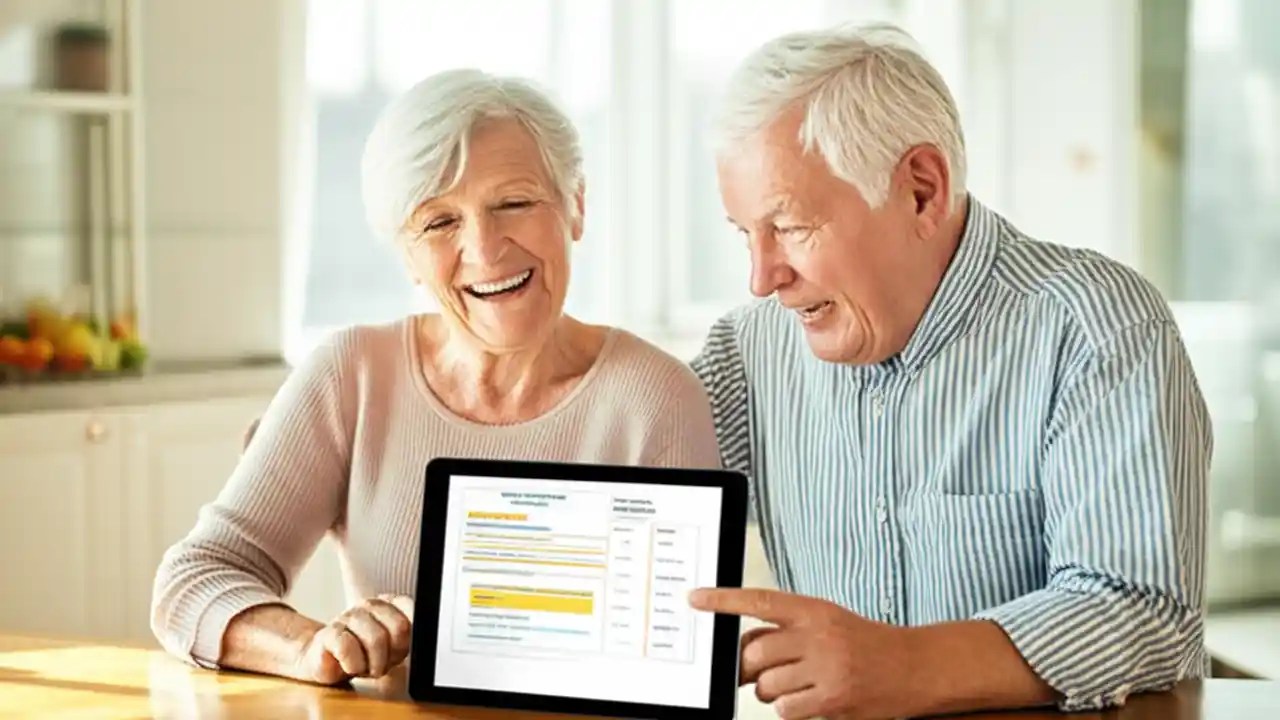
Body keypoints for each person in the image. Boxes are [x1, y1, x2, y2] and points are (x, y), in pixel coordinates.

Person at [686, 23, 1212, 720]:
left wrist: (903, 666)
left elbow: (1142, 611)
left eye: (790, 227)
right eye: (745, 233)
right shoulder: (749, 350)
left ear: (921, 191)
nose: (762, 278)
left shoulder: (1095, 328)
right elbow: (627, 486)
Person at [151, 69, 720, 685]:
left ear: (575, 206)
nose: (485, 249)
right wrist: (309, 648)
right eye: (439, 222)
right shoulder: (354, 374)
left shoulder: (657, 398)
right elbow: (194, 581)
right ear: (407, 255)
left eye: (514, 203)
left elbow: (683, 667)